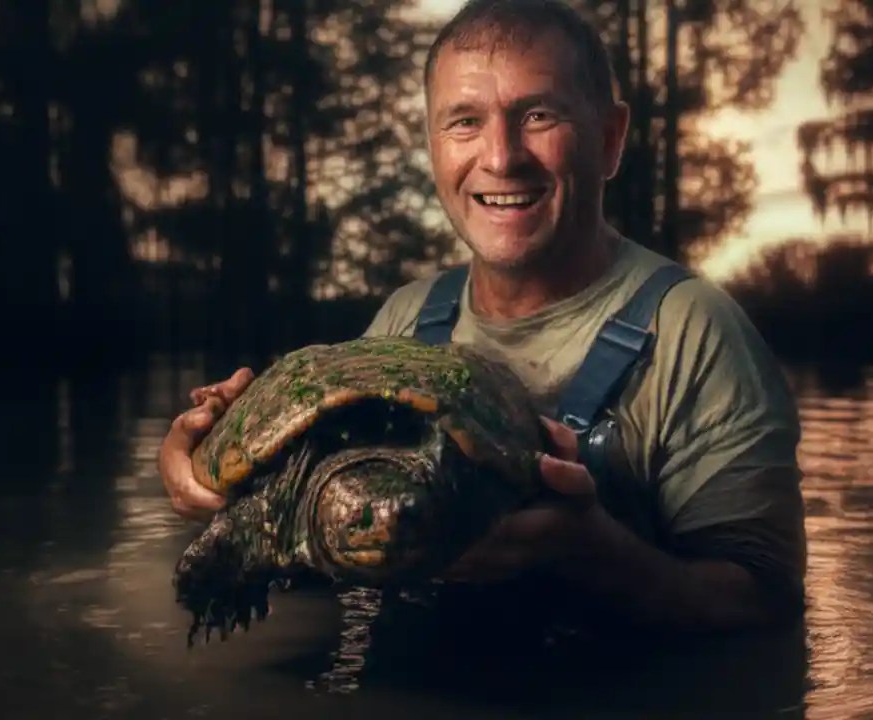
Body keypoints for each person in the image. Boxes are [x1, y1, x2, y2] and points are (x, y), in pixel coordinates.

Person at [158, 0, 805, 634]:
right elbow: (315, 541)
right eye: (464, 122)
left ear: (609, 140)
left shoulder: (696, 333)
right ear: (433, 147)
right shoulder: (406, 318)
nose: (501, 156)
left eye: (539, 115)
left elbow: (768, 605)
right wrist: (214, 469)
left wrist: (592, 552)